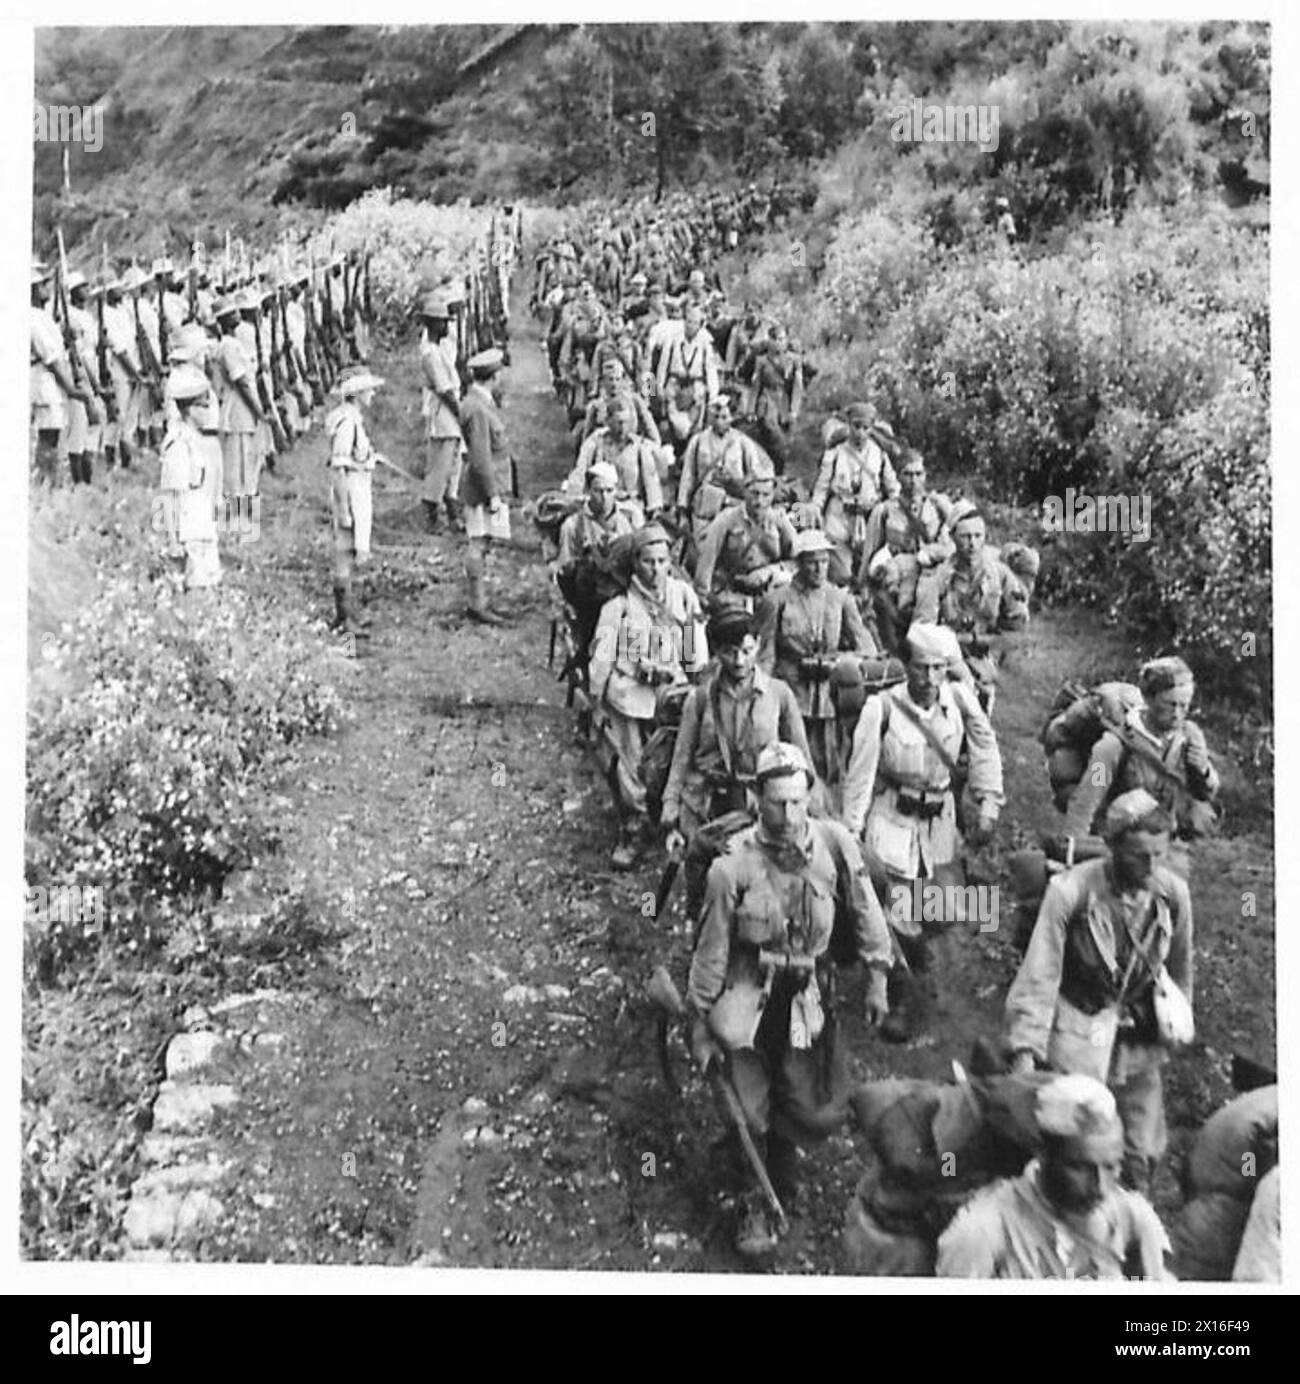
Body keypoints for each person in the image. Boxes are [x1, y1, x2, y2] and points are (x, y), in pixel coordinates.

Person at [688, 741, 892, 1256]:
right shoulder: (729, 869)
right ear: (757, 799)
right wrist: (698, 1022)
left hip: (807, 993)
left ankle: (782, 1152)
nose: (790, 813)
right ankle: (754, 1195)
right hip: (748, 993)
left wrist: (878, 975)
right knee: (747, 1100)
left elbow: (867, 911)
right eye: (778, 802)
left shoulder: (836, 845)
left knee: (813, 1103)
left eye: (799, 801)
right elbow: (710, 951)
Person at [1004, 789, 1194, 1195]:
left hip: (1135, 1045)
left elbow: (1180, 970)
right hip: (1076, 1034)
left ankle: (1126, 1230)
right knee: (1073, 1150)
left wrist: (1170, 1025)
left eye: (1159, 855)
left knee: (1139, 1154)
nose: (1151, 866)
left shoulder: (1172, 895)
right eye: (1139, 855)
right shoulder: (1070, 892)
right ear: (1111, 847)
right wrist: (1026, 1054)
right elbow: (1039, 976)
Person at [841, 622, 1003, 1042]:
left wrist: (988, 800)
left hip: (939, 821)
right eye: (920, 668)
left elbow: (985, 747)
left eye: (937, 668)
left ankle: (920, 964)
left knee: (943, 906)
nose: (929, 679)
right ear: (906, 666)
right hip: (892, 816)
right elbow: (859, 776)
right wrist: (852, 834)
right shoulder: (882, 709)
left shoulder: (960, 700)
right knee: (894, 905)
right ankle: (902, 990)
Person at [936, 1074, 1172, 1279]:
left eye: (1111, 1166)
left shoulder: (1135, 1220)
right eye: (1080, 1167)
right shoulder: (982, 1231)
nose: (1100, 1187)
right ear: (1043, 1155)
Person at [588, 523, 708, 869]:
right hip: (630, 696)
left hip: (673, 694)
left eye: (661, 561)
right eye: (647, 561)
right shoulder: (620, 607)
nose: (655, 569)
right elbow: (602, 657)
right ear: (634, 563)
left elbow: (696, 649)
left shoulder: (683, 596)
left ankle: (675, 822)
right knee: (629, 765)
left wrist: (695, 682)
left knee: (678, 759)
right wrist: (596, 701)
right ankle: (634, 828)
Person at [662, 605, 809, 853]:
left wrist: (808, 812)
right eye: (729, 653)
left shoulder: (779, 695)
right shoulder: (699, 699)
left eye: (747, 651)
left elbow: (802, 761)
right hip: (704, 809)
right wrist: (671, 812)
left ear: (759, 645)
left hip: (756, 809)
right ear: (716, 652)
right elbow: (681, 759)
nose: (739, 661)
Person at [1059, 656, 1219, 877]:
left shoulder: (1189, 735)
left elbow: (1206, 793)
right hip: (1123, 846)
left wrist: (1203, 769)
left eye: (1185, 705)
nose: (1178, 713)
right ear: (1149, 699)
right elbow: (1087, 800)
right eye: (1170, 704)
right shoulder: (1112, 747)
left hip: (1167, 846)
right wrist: (1071, 855)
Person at [756, 529, 876, 784]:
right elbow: (766, 654)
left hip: (831, 698)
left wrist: (839, 662)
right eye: (812, 562)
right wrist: (763, 696)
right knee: (793, 762)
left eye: (824, 561)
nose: (819, 568)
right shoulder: (777, 601)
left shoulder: (841, 599)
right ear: (799, 563)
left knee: (832, 766)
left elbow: (868, 650)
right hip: (792, 694)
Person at [913, 508, 1029, 708]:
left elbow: (1017, 631)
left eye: (978, 536)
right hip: (947, 662)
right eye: (965, 537)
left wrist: (987, 646)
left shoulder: (1001, 576)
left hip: (985, 658)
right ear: (952, 538)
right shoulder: (939, 577)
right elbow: (922, 632)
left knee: (980, 717)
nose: (972, 544)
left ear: (985, 537)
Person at [858, 452, 956, 651]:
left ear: (925, 475)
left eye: (918, 474)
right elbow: (870, 552)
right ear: (898, 477)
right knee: (890, 619)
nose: (913, 480)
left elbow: (952, 545)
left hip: (930, 573)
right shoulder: (885, 511)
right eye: (908, 474)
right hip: (897, 575)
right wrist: (863, 587)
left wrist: (935, 553)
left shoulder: (938, 507)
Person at [323, 365, 386, 637]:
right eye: (368, 389)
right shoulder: (347, 423)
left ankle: (345, 616)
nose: (372, 393)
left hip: (357, 490)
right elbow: (338, 468)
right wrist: (344, 509)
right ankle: (344, 619)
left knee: (347, 554)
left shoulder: (352, 419)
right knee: (345, 554)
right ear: (358, 393)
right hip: (350, 493)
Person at [811, 402, 899, 585]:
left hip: (869, 520)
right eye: (856, 426)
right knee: (842, 574)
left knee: (869, 572)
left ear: (871, 429)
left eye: (865, 428)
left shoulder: (879, 454)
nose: (860, 433)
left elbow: (892, 487)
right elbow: (821, 487)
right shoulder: (836, 453)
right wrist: (815, 509)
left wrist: (893, 507)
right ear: (849, 425)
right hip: (839, 517)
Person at [458, 347, 514, 626]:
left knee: (483, 542)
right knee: (478, 542)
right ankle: (477, 604)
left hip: (485, 483)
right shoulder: (478, 408)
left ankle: (480, 600)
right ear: (493, 376)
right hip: (482, 487)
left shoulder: (479, 402)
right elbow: (480, 458)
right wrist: (492, 494)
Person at [675, 395, 773, 548]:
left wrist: (737, 483)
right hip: (705, 503)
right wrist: (682, 510)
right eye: (716, 417)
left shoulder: (742, 442)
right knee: (703, 547)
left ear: (731, 417)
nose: (720, 421)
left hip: (732, 502)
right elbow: (688, 476)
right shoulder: (698, 441)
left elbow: (755, 474)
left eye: (724, 417)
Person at [157, 364, 222, 592]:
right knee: (194, 596)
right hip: (188, 534)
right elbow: (169, 496)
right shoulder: (179, 444)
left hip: (202, 528)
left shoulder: (197, 441)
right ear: (190, 410)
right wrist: (173, 542)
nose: (208, 411)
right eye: (203, 406)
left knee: (209, 591)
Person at [693, 473, 797, 606]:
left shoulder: (779, 520)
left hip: (769, 592)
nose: (759, 501)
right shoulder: (726, 520)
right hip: (732, 593)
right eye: (754, 493)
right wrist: (704, 597)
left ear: (772, 496)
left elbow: (797, 560)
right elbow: (707, 561)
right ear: (744, 493)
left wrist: (769, 572)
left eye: (766, 495)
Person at [211, 295, 265, 533]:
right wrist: (259, 411)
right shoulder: (228, 346)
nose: (238, 315)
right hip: (238, 413)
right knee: (236, 472)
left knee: (248, 468)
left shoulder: (235, 343)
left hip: (243, 413)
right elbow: (241, 382)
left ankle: (244, 527)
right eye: (232, 313)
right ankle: (236, 526)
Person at [565, 397, 663, 526]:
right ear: (608, 421)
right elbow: (580, 470)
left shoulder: (636, 397)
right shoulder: (597, 405)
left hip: (630, 506)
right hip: (601, 503)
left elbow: (650, 413)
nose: (622, 428)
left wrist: (654, 508)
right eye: (618, 423)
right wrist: (575, 497)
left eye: (626, 423)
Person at [417, 291, 463, 534]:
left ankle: (453, 514)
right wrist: (460, 412)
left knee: (453, 464)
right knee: (441, 465)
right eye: (444, 322)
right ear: (434, 324)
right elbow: (444, 389)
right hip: (443, 412)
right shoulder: (430, 353)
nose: (447, 326)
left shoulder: (438, 348)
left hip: (448, 411)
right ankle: (431, 514)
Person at [30, 261, 79, 485]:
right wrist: (70, 388)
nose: (46, 289)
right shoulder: (32, 317)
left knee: (53, 433)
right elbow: (50, 359)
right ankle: (44, 480)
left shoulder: (42, 315)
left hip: (49, 381)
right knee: (48, 435)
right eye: (42, 286)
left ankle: (49, 480)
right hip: (43, 381)